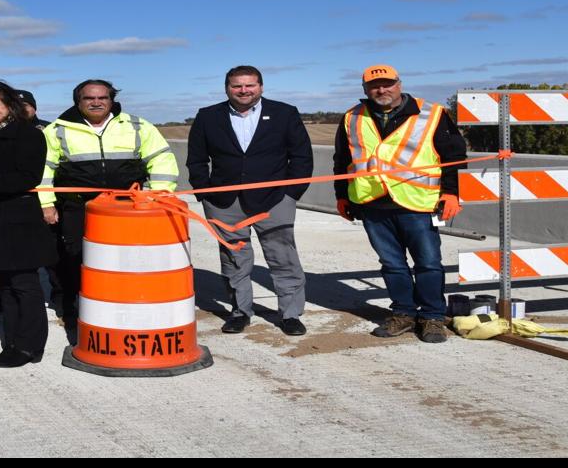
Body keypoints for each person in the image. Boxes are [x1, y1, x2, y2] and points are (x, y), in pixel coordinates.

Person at [334, 64, 467, 344]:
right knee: (392, 264)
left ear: (399, 83)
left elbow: (453, 157)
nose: (381, 90)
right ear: (365, 89)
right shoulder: (352, 117)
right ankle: (403, 313)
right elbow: (341, 160)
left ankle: (432, 316)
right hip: (372, 202)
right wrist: (342, 195)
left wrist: (451, 192)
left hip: (416, 202)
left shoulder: (431, 114)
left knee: (428, 263)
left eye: (387, 84)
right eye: (374, 86)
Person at [38, 79, 179, 338]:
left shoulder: (137, 125)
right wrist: (46, 204)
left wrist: (160, 194)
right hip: (79, 208)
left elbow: (161, 157)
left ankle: (123, 307)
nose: (96, 102)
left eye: (102, 97)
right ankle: (74, 312)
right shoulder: (57, 129)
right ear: (77, 102)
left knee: (126, 260)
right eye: (89, 98)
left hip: (127, 210)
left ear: (111, 100)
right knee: (75, 259)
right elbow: (44, 168)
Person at [186, 65, 313, 336]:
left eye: (250, 85)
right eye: (237, 86)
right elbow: (197, 159)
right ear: (227, 88)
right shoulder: (208, 116)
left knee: (283, 257)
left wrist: (291, 195)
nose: (244, 90)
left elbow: (301, 157)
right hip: (224, 202)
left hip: (275, 200)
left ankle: (290, 314)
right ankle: (240, 312)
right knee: (234, 258)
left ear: (261, 87)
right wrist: (205, 194)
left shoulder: (284, 113)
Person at [0, 80, 58, 368]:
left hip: (18, 219)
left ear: (8, 106)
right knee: (3, 283)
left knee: (24, 283)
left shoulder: (27, 135)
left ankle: (30, 346)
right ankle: (13, 342)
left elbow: (28, 176)